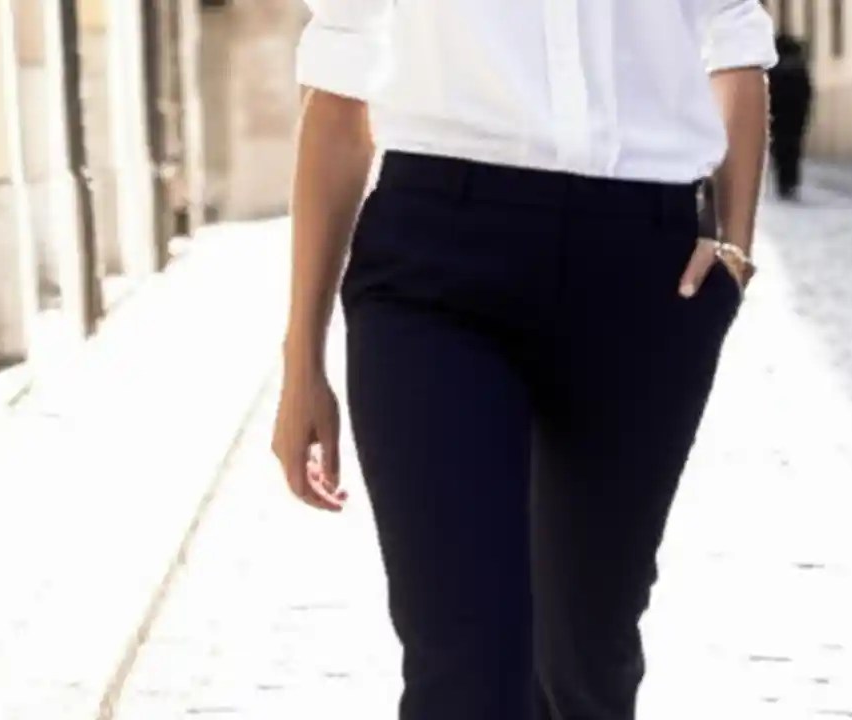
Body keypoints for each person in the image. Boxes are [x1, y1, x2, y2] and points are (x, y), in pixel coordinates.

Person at [271, 2, 776, 718]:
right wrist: (303, 361)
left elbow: (737, 40)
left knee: (586, 659)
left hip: (640, 272)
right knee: (468, 666)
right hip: (435, 272)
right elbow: (338, 88)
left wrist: (733, 244)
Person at [768, 33, 815, 199]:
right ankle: (791, 182)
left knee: (780, 151)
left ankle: (783, 183)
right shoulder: (799, 67)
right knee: (794, 150)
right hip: (796, 118)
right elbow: (807, 92)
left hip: (778, 118)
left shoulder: (773, 68)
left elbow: (769, 94)